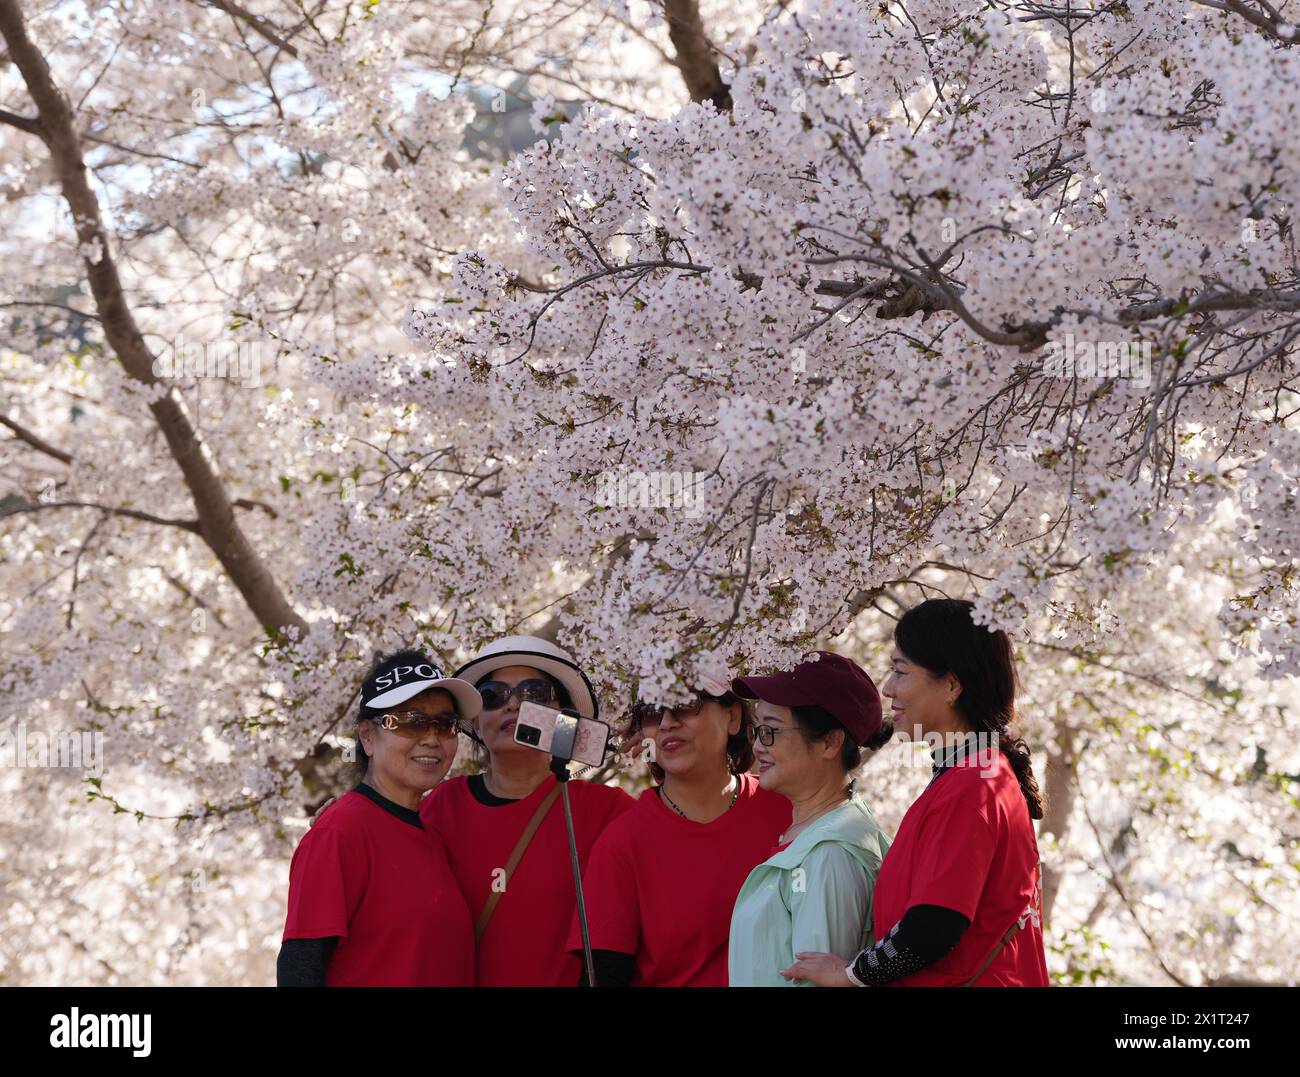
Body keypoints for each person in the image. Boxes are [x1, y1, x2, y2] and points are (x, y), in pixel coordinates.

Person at [784, 599, 1050, 987]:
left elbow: (935, 925)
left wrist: (851, 975)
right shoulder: (981, 773)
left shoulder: (971, 786)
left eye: (900, 671)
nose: (888, 687)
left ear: (952, 685)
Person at [419, 635, 635, 986]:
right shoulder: (438, 809)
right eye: (492, 697)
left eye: (533, 693)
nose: (513, 704)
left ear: (564, 717)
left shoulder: (610, 812)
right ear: (475, 722)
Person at [571, 673, 792, 986]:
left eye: (683, 703)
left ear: (732, 716)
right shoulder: (623, 842)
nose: (666, 723)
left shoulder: (789, 807)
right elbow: (605, 976)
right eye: (651, 712)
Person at [278, 649, 482, 986]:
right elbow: (301, 968)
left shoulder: (435, 835)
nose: (431, 739)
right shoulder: (340, 832)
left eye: (445, 724)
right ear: (368, 736)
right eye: (411, 721)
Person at [727, 652, 894, 987]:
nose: (758, 745)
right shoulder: (816, 835)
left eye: (771, 730)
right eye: (756, 729)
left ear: (830, 742)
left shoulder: (829, 855)